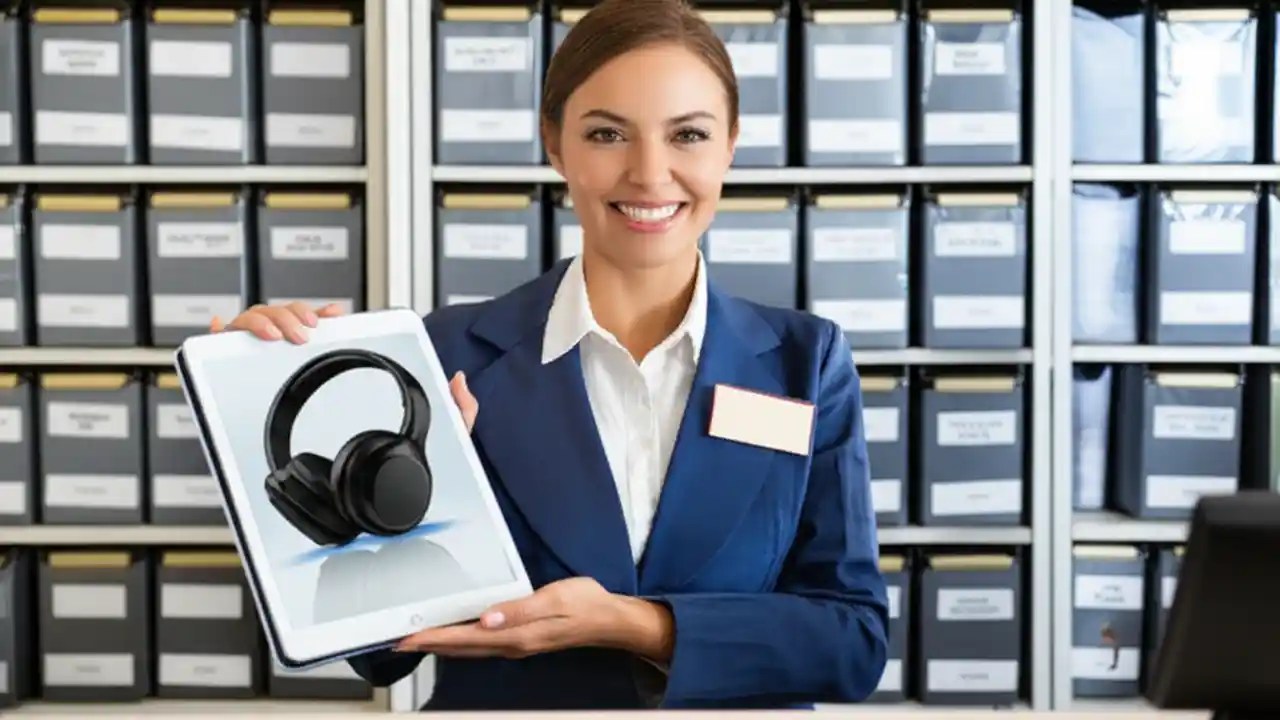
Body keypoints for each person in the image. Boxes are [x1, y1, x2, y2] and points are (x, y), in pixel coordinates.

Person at [212, 0, 887, 710]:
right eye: (607, 134)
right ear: (555, 145)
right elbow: (378, 654)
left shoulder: (806, 363)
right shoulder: (442, 354)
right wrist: (266, 383)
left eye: (687, 134)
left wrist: (640, 626)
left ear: (731, 144)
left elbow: (851, 643)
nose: (650, 175)